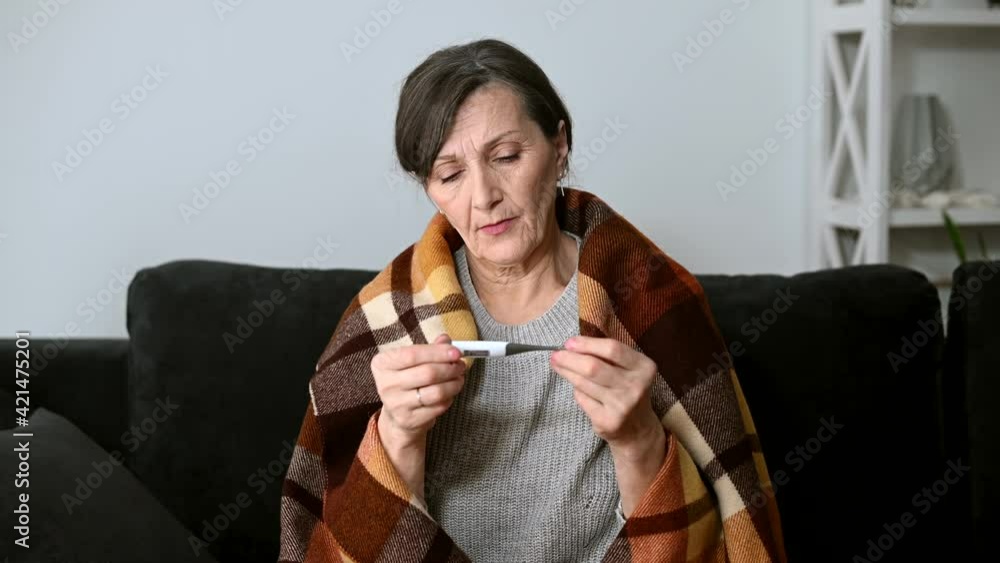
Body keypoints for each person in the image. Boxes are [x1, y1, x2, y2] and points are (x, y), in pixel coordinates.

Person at [278, 38, 786, 563]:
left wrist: (638, 440)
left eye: (506, 156)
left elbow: (706, 543)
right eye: (450, 175)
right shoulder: (385, 317)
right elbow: (337, 542)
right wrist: (398, 436)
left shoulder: (652, 298)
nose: (483, 196)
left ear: (559, 147)